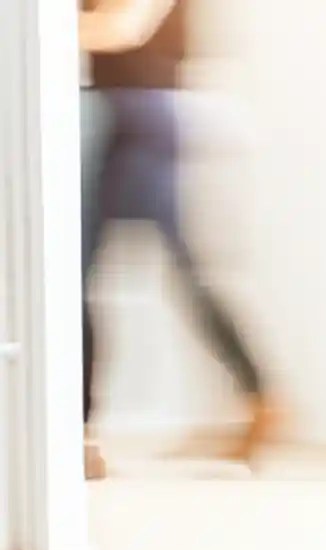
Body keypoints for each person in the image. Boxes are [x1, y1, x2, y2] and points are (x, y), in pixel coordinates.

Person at [80, 0, 278, 479]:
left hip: (142, 117)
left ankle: (79, 433)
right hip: (118, 114)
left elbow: (122, 27)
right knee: (86, 276)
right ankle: (261, 398)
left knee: (81, 273)